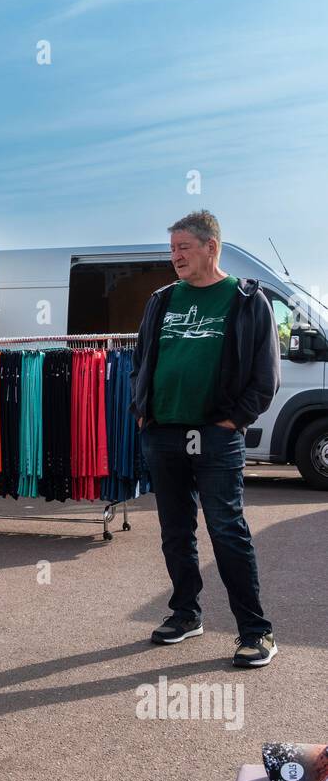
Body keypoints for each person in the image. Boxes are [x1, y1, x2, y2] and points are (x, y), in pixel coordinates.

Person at [131, 211, 280, 667]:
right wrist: (143, 411)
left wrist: (234, 421)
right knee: (176, 531)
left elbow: (264, 375)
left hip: (216, 436)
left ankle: (256, 632)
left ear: (211, 247)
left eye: (184, 248)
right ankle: (185, 613)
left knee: (226, 530)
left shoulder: (248, 300)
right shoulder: (161, 300)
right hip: (164, 432)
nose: (175, 256)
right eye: (172, 248)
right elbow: (141, 359)